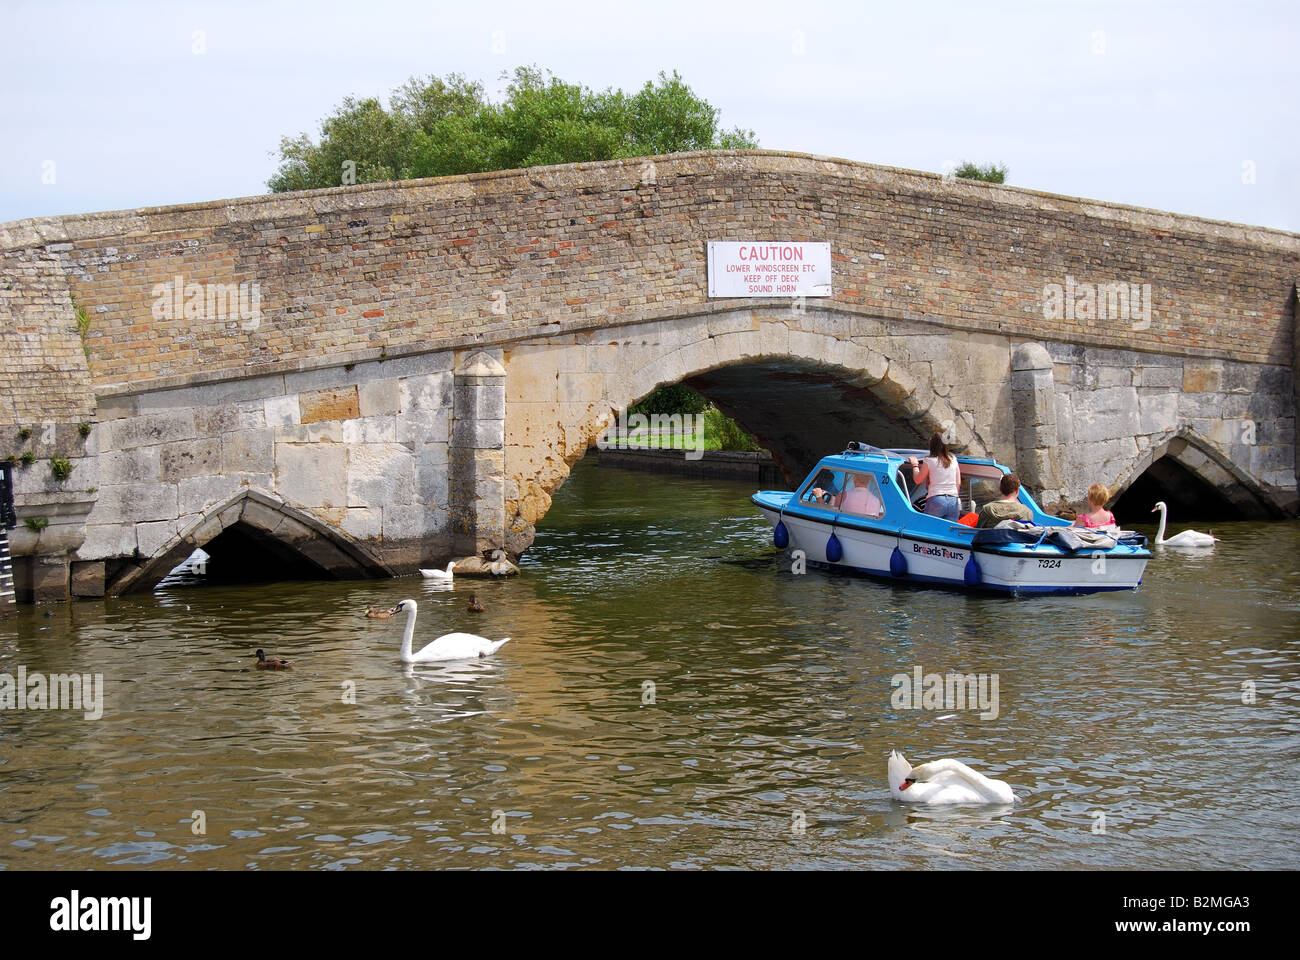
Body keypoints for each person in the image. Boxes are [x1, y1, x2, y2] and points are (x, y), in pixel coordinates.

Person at [907, 433, 961, 520]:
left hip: (936, 499)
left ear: (932, 446)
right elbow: (958, 482)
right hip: (953, 500)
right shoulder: (953, 460)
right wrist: (954, 495)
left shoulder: (929, 460)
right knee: (949, 531)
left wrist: (915, 465)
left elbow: (918, 480)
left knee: (928, 528)